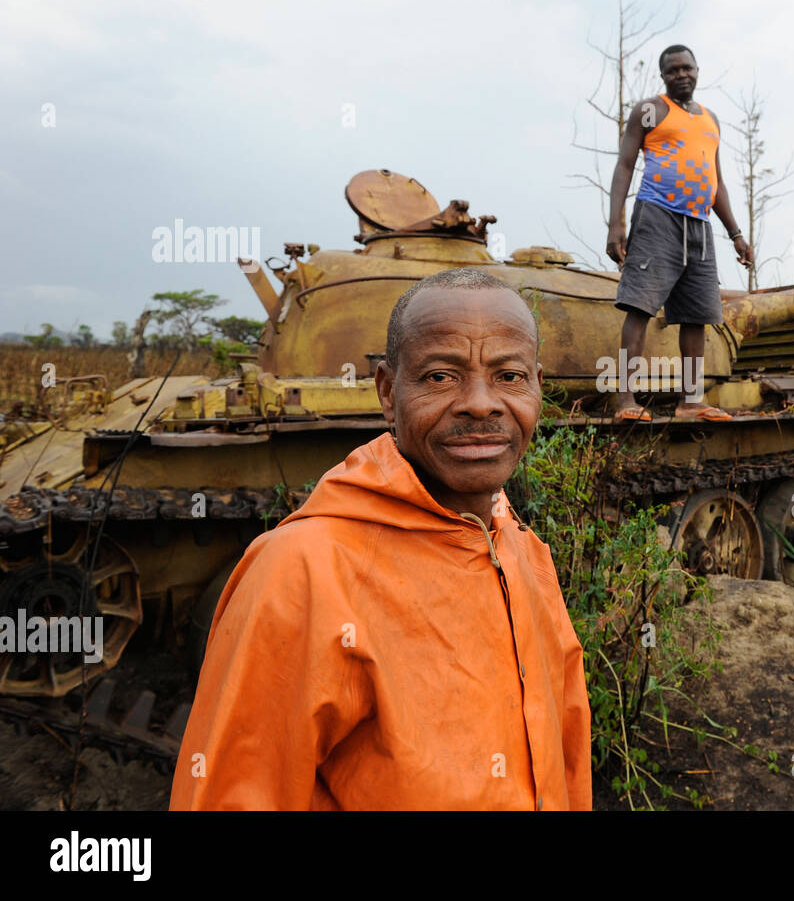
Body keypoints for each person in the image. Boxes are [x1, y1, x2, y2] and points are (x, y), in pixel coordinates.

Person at [170, 268, 592, 811]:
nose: (482, 404)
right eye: (441, 376)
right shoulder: (301, 572)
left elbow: (567, 758)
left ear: (537, 385)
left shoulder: (524, 553)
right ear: (389, 392)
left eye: (509, 376)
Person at [606, 43, 754, 422]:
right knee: (639, 306)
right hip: (657, 216)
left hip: (700, 226)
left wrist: (736, 233)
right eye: (672, 71)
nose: (681, 75)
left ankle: (691, 403)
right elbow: (624, 165)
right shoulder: (650, 110)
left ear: (697, 70)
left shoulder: (710, 120)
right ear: (663, 77)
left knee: (697, 315)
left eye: (687, 68)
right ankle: (626, 401)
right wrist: (616, 223)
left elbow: (717, 182)